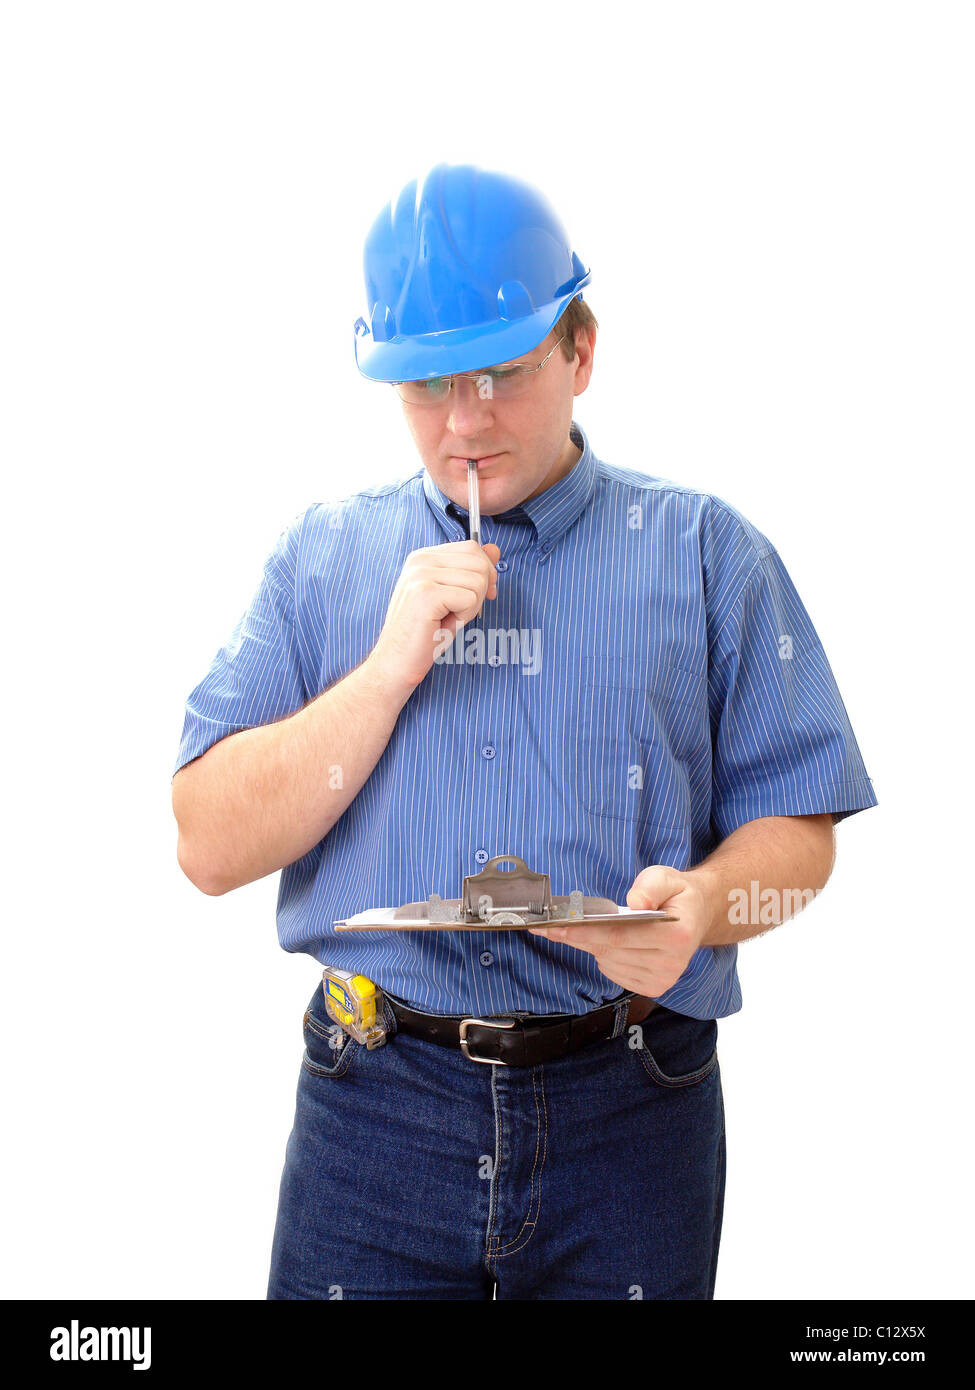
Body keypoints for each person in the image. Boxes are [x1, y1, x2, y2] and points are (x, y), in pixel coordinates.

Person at [171, 163, 878, 1301]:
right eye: (428, 385)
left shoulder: (707, 555)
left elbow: (802, 831)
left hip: (631, 1106)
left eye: (501, 372)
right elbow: (205, 844)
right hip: (375, 1106)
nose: (465, 422)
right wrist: (391, 664)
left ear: (580, 352)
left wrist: (703, 907)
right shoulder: (322, 560)